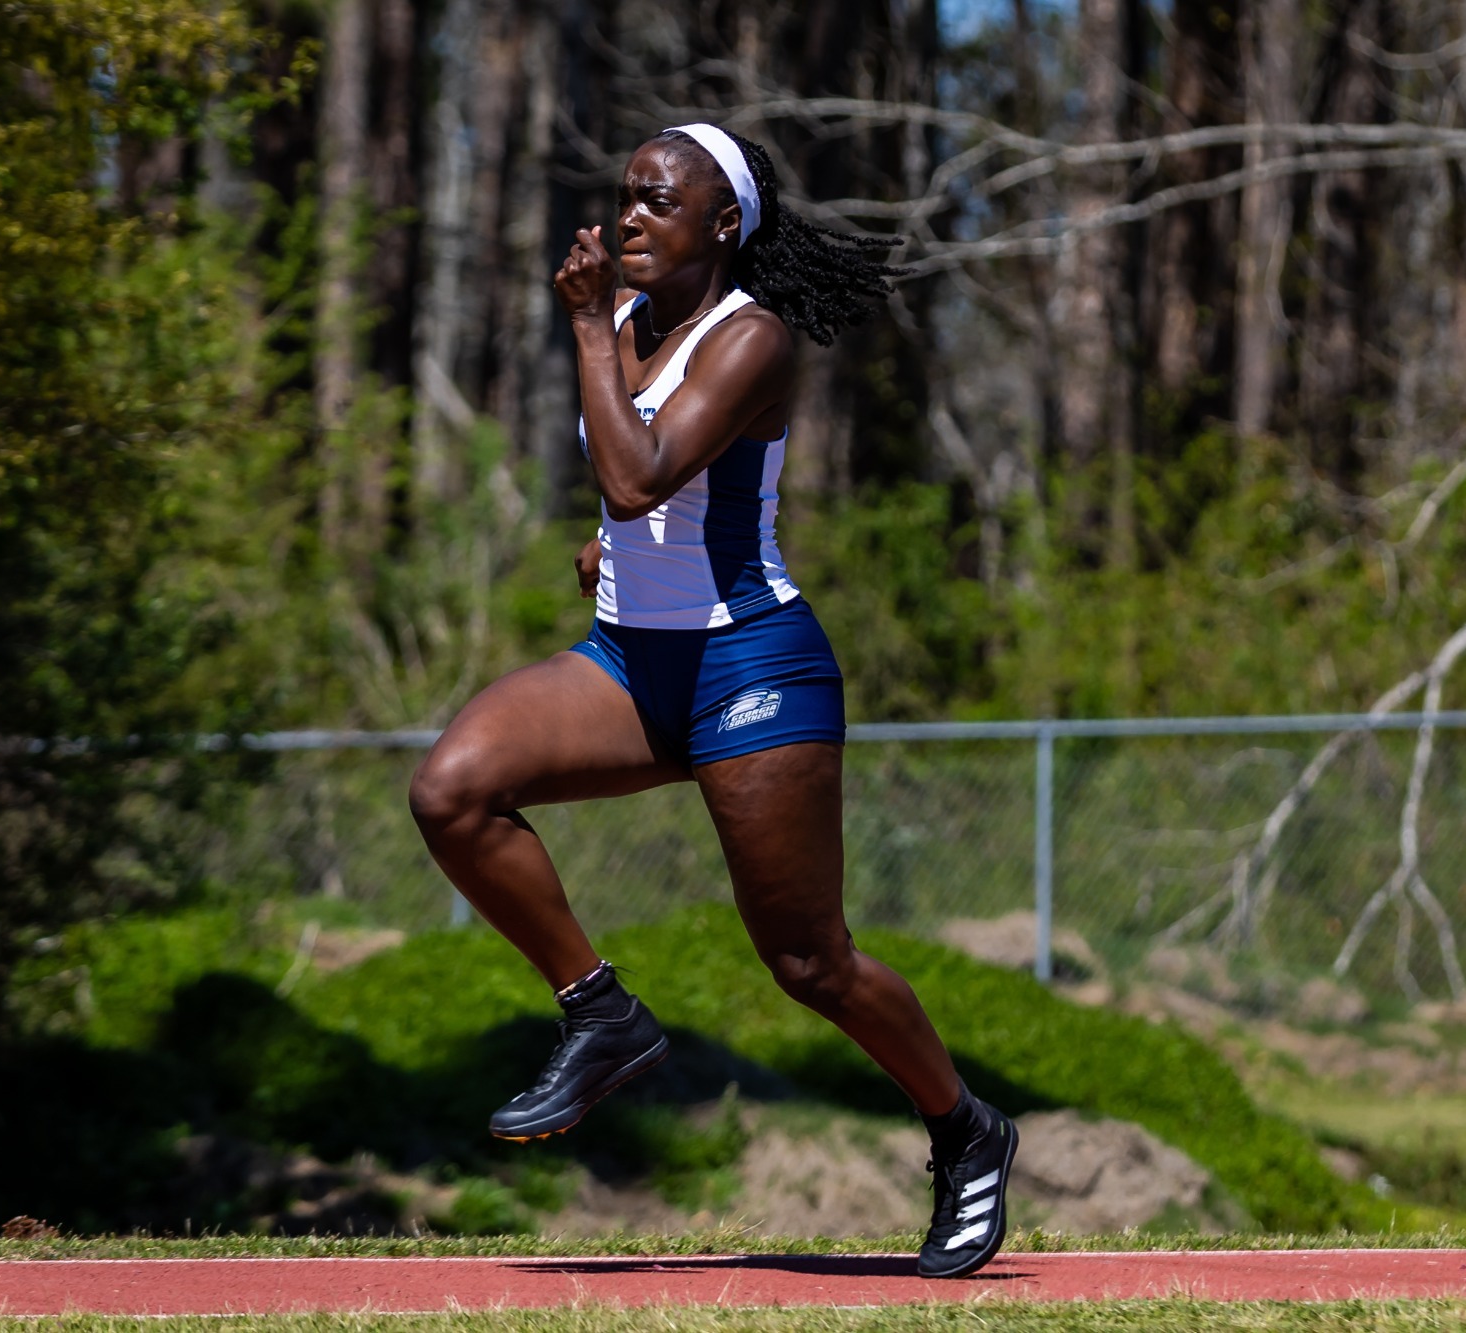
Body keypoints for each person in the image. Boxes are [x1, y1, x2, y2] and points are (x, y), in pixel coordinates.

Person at [408, 122, 1016, 1279]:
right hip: (630, 661)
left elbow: (639, 474)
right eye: (622, 197)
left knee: (807, 964)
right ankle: (599, 1013)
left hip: (751, 667)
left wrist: (583, 327)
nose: (627, 216)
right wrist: (606, 552)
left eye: (654, 200)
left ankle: (964, 1128)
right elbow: (633, 500)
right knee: (451, 790)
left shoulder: (753, 339)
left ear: (721, 224)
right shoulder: (631, 324)